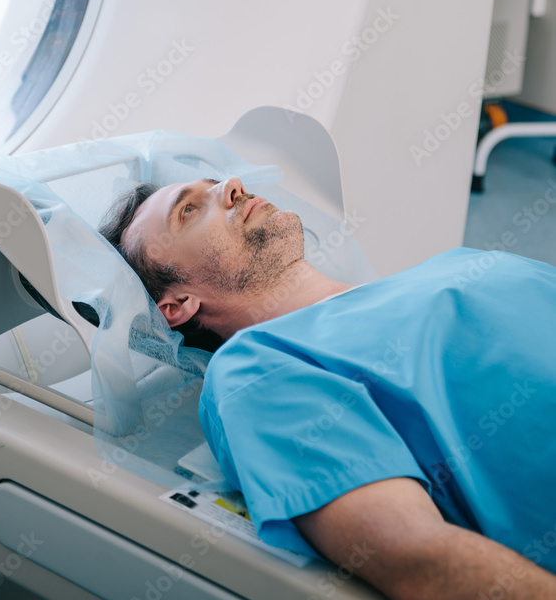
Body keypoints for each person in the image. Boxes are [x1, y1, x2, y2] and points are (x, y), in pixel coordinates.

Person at [99, 176, 556, 600]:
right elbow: (419, 557)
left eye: (215, 183)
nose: (232, 185)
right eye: (188, 211)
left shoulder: (450, 267)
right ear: (178, 304)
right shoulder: (258, 365)